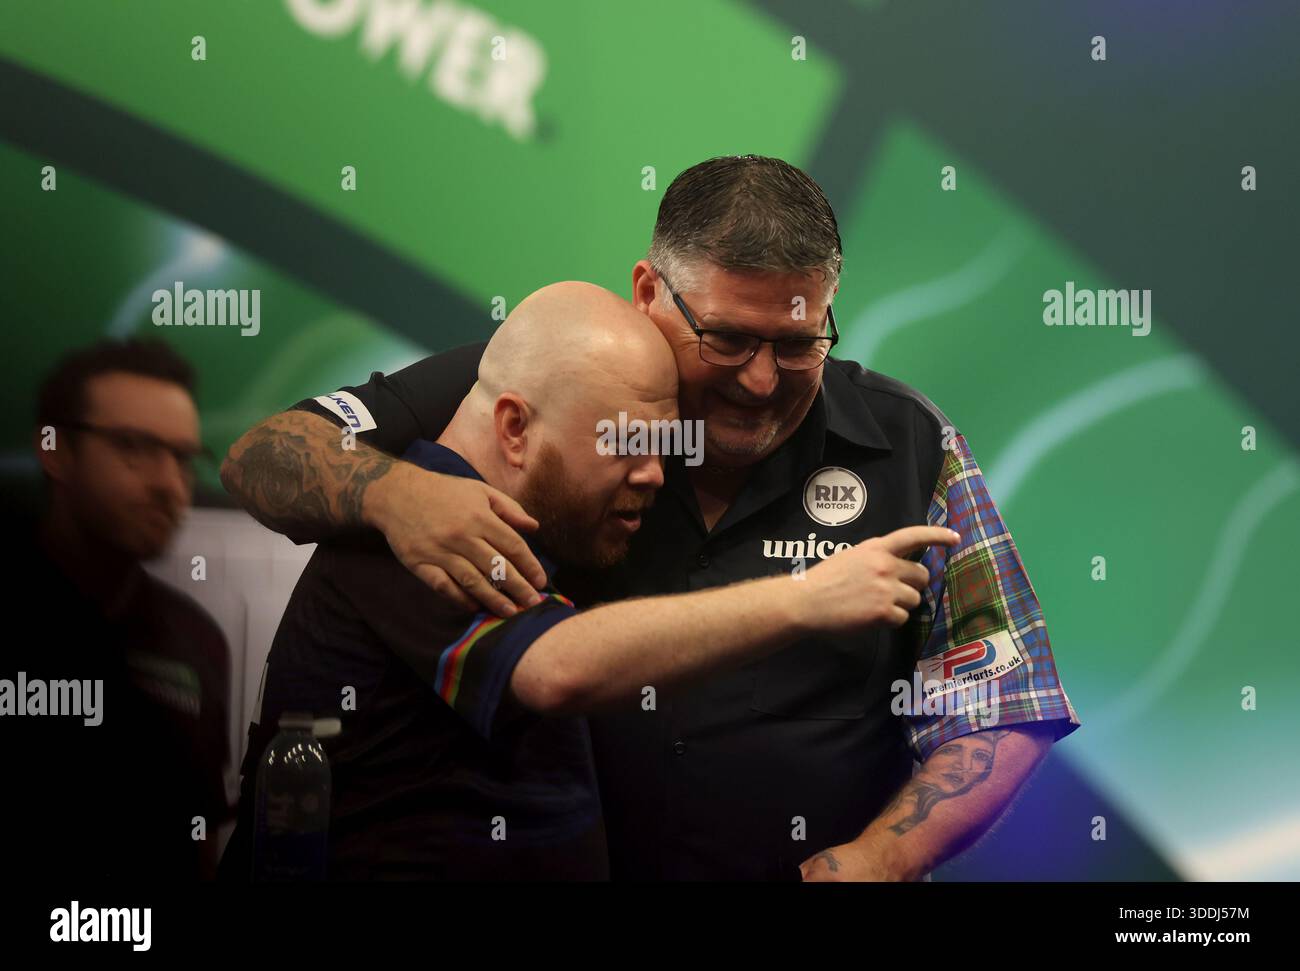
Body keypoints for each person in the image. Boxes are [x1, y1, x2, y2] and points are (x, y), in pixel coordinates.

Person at [221, 156, 1081, 881]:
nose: (758, 378)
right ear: (648, 291)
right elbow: (263, 453)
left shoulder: (912, 445)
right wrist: (394, 494)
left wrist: (881, 859)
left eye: (796, 343)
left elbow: (1005, 702)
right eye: (728, 339)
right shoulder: (544, 375)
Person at [5, 339, 231, 880]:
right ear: (55, 450)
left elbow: (198, 837)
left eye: (182, 458)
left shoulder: (195, 640)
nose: (168, 485)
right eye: (134, 447)